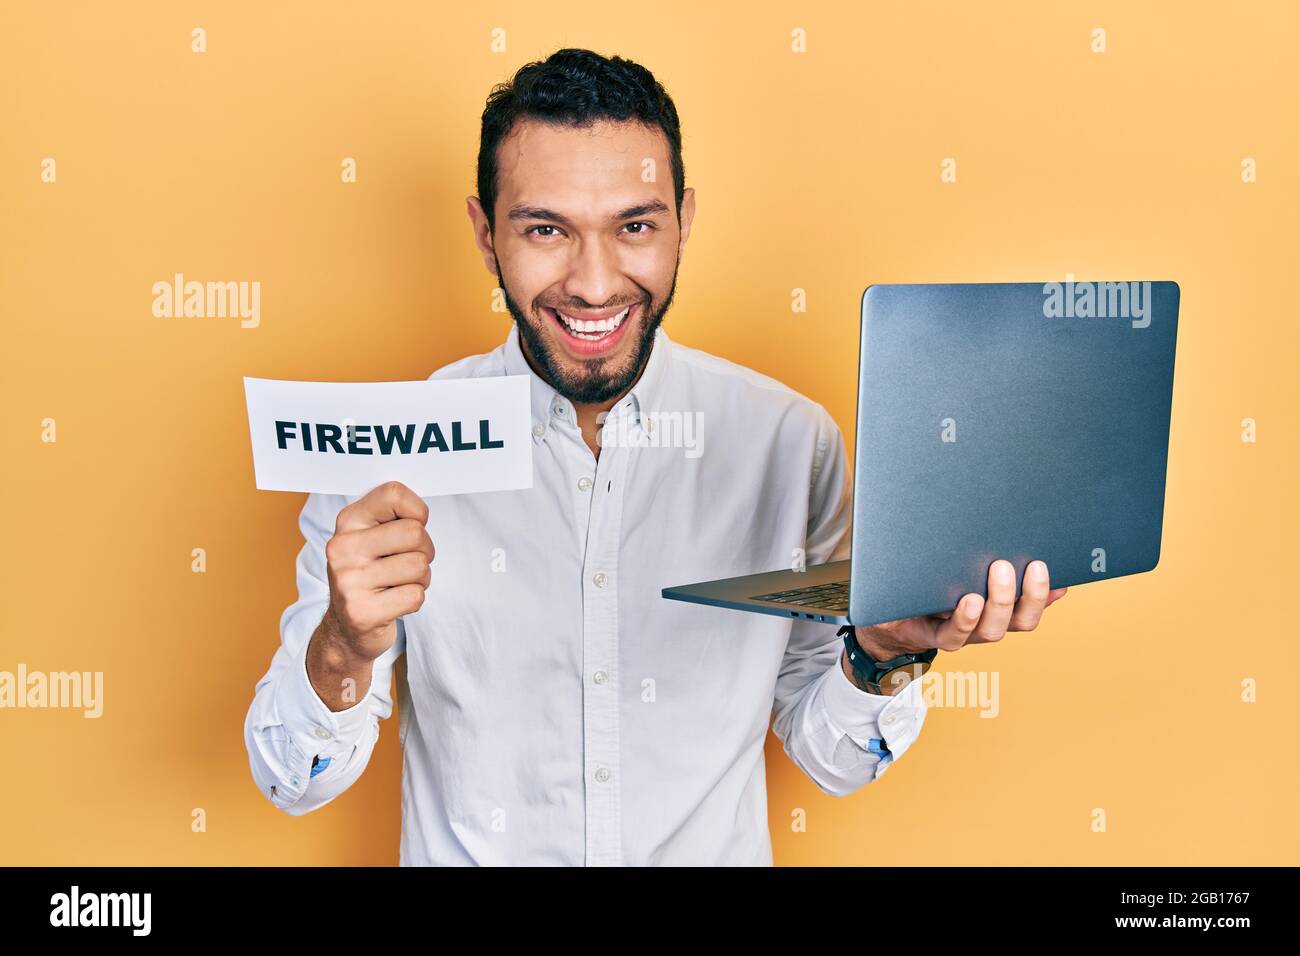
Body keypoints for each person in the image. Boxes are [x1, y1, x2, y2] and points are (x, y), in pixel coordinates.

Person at [243, 48, 1066, 866]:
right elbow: (291, 779)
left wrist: (884, 653)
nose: (595, 284)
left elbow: (834, 760)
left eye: (634, 226)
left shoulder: (789, 442)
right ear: (487, 237)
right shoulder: (384, 457)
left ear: (683, 223)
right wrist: (342, 647)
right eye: (545, 230)